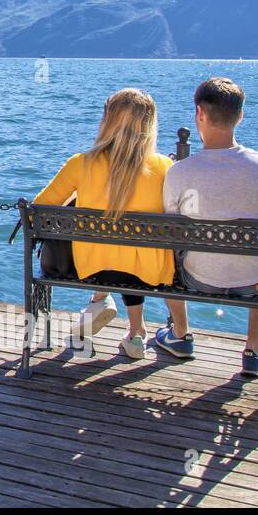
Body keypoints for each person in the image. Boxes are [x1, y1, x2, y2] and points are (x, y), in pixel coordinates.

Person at [156, 77, 258, 378]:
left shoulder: (179, 172)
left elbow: (172, 232)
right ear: (240, 116)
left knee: (169, 259)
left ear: (199, 114)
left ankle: (180, 336)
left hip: (196, 280)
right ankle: (254, 350)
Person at [35, 89, 174, 358]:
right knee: (132, 252)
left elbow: (35, 212)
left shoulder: (81, 164)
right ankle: (136, 332)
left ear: (107, 121)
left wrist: (76, 199)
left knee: (112, 250)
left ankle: (100, 304)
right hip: (150, 273)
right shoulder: (164, 167)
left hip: (91, 267)